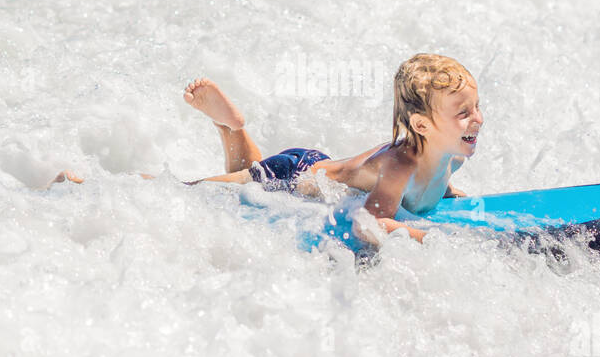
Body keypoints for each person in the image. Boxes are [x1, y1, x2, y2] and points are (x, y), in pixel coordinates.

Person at [180, 53, 481, 245]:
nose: (477, 119)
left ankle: (231, 128)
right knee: (206, 190)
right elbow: (369, 225)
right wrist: (427, 239)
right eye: (463, 113)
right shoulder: (400, 167)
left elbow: (437, 174)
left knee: (250, 176)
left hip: (323, 171)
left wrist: (450, 193)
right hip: (296, 174)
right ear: (422, 126)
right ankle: (231, 128)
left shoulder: (454, 153)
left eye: (476, 107)